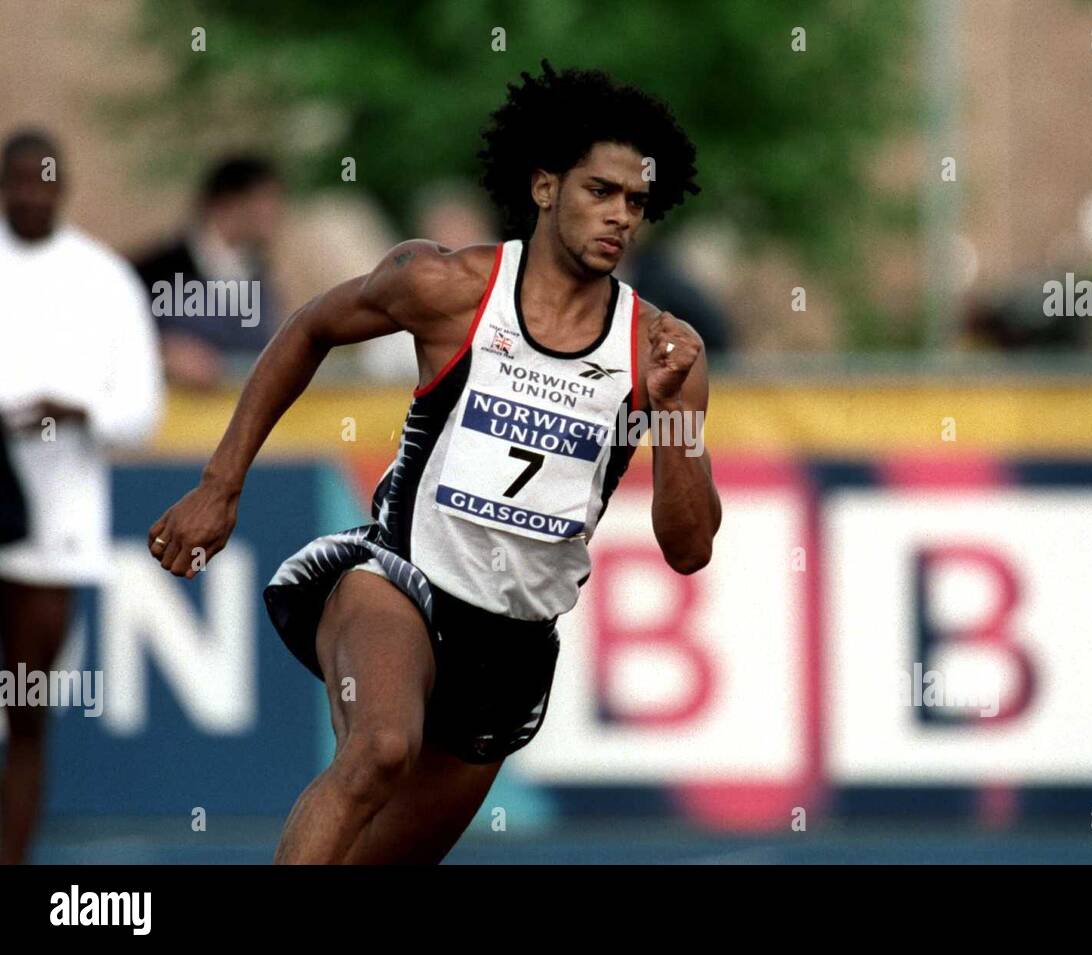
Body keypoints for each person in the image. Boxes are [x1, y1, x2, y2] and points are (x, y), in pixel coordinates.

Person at [146, 61, 722, 864]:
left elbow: (689, 546)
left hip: (513, 643)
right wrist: (221, 482)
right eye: (601, 191)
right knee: (379, 748)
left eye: (636, 200)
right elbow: (308, 327)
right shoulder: (448, 286)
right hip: (398, 581)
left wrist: (673, 421)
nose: (620, 216)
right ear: (546, 186)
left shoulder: (663, 352)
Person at [0, 129, 163, 864]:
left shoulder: (103, 279)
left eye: (42, 182)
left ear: (62, 187)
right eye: (16, 182)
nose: (30, 195)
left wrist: (72, 409)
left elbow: (141, 409)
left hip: (57, 521)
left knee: (26, 711)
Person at [134, 156, 285, 389]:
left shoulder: (259, 276)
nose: (275, 213)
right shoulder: (154, 270)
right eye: (266, 201)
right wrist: (161, 352)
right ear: (229, 203)